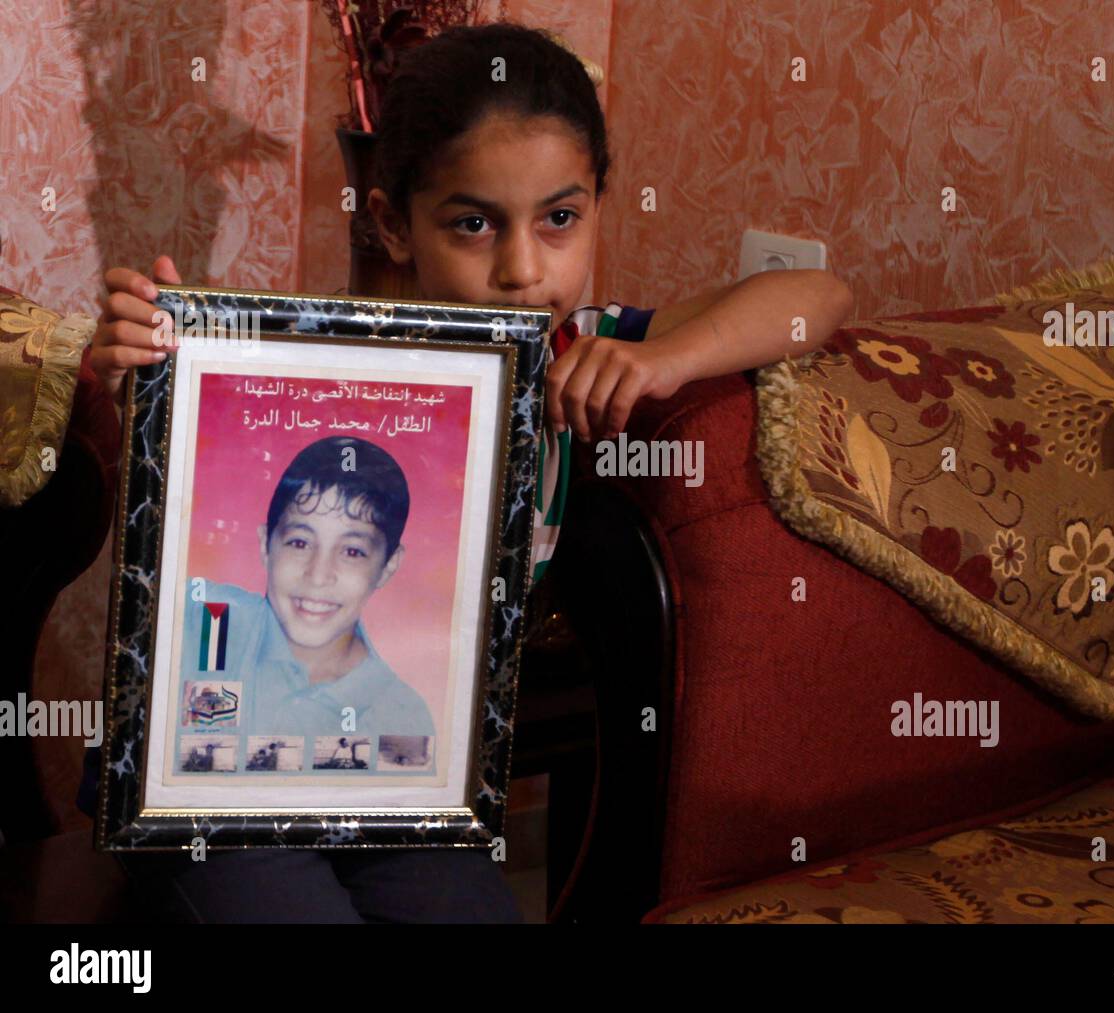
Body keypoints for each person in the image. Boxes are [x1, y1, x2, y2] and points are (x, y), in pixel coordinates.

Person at [81, 22, 854, 923]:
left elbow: (821, 299)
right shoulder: (299, 358)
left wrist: (668, 358)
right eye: (474, 223)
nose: (524, 270)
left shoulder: (578, 350)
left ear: (599, 205)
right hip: (205, 774)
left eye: (560, 219)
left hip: (398, 784)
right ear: (390, 223)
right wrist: (150, 358)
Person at [173, 436, 436, 762]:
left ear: (388, 566)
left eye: (352, 551)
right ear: (265, 545)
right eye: (299, 543)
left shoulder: (401, 719)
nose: (318, 574)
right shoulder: (195, 618)